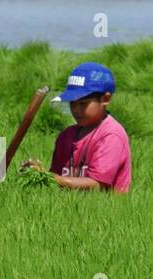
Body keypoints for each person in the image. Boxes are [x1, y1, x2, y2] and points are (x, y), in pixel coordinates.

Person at [25, 62, 132, 193]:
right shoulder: (66, 136)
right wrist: (40, 174)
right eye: (73, 104)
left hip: (105, 210)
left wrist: (55, 178)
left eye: (83, 104)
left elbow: (97, 185)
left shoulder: (111, 135)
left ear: (105, 99)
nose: (76, 110)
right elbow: (56, 182)